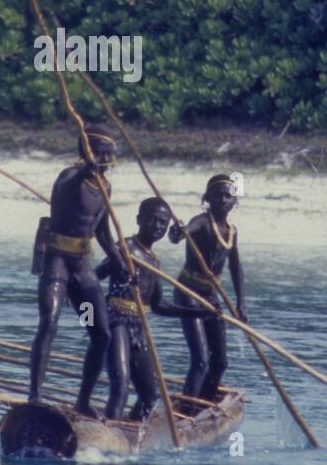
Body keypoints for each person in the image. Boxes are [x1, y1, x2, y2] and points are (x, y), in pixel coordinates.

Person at [28, 126, 127, 418]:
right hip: (57, 262)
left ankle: (83, 400)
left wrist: (121, 263)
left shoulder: (106, 188)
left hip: (82, 269)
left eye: (109, 153)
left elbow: (104, 233)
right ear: (85, 151)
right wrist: (86, 171)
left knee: (100, 333)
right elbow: (65, 192)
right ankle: (35, 394)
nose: (105, 157)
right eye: (99, 151)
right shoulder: (68, 177)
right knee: (50, 321)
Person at [94, 198, 212, 421]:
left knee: (150, 396)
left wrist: (199, 312)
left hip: (138, 327)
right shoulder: (125, 248)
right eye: (153, 220)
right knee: (121, 383)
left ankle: (131, 432)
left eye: (163, 223)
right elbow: (92, 279)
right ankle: (111, 430)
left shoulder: (154, 262)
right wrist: (93, 315)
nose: (158, 227)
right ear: (139, 220)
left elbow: (159, 305)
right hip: (115, 321)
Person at [169, 174, 245, 401]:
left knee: (220, 362)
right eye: (217, 195)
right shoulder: (202, 222)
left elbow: (235, 266)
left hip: (212, 296)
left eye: (228, 196)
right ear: (207, 198)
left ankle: (202, 403)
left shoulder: (231, 230)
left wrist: (240, 304)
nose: (223, 200)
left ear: (234, 202)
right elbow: (181, 235)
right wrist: (177, 233)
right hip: (189, 293)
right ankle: (186, 411)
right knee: (201, 359)